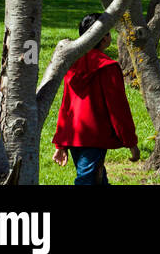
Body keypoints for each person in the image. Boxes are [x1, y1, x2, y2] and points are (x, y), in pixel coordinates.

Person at [52, 14, 140, 185]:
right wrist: (131, 142)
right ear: (100, 36)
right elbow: (118, 108)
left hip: (73, 134)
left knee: (97, 178)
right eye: (107, 32)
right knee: (88, 180)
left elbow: (66, 105)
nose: (110, 36)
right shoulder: (108, 67)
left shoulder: (72, 63)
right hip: (94, 135)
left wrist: (61, 142)